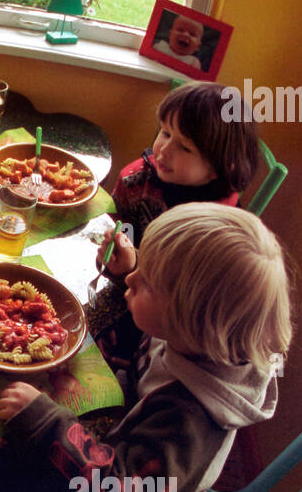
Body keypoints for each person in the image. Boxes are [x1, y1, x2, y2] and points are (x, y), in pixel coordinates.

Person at [0, 203, 292, 492]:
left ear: (187, 321)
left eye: (148, 282)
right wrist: (129, 272)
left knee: (4, 467)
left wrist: (47, 424)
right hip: (129, 426)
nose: (135, 278)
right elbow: (159, 316)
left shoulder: (186, 424)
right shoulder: (200, 340)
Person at [91, 81, 260, 369]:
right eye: (165, 132)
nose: (164, 150)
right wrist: (118, 252)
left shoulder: (216, 230)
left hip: (163, 337)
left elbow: (184, 307)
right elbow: (117, 223)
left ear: (220, 167)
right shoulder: (137, 180)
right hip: (123, 290)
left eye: (184, 147)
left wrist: (135, 269)